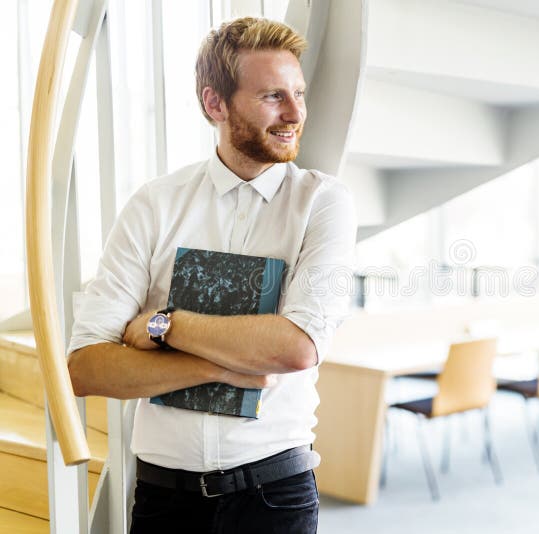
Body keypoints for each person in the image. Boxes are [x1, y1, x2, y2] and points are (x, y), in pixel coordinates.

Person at [67, 16, 356, 534]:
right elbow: (88, 368)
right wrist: (224, 368)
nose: (295, 114)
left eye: (299, 94)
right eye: (273, 96)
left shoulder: (323, 203)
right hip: (163, 500)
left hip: (275, 498)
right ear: (215, 104)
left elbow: (296, 347)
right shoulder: (154, 205)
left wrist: (165, 325)